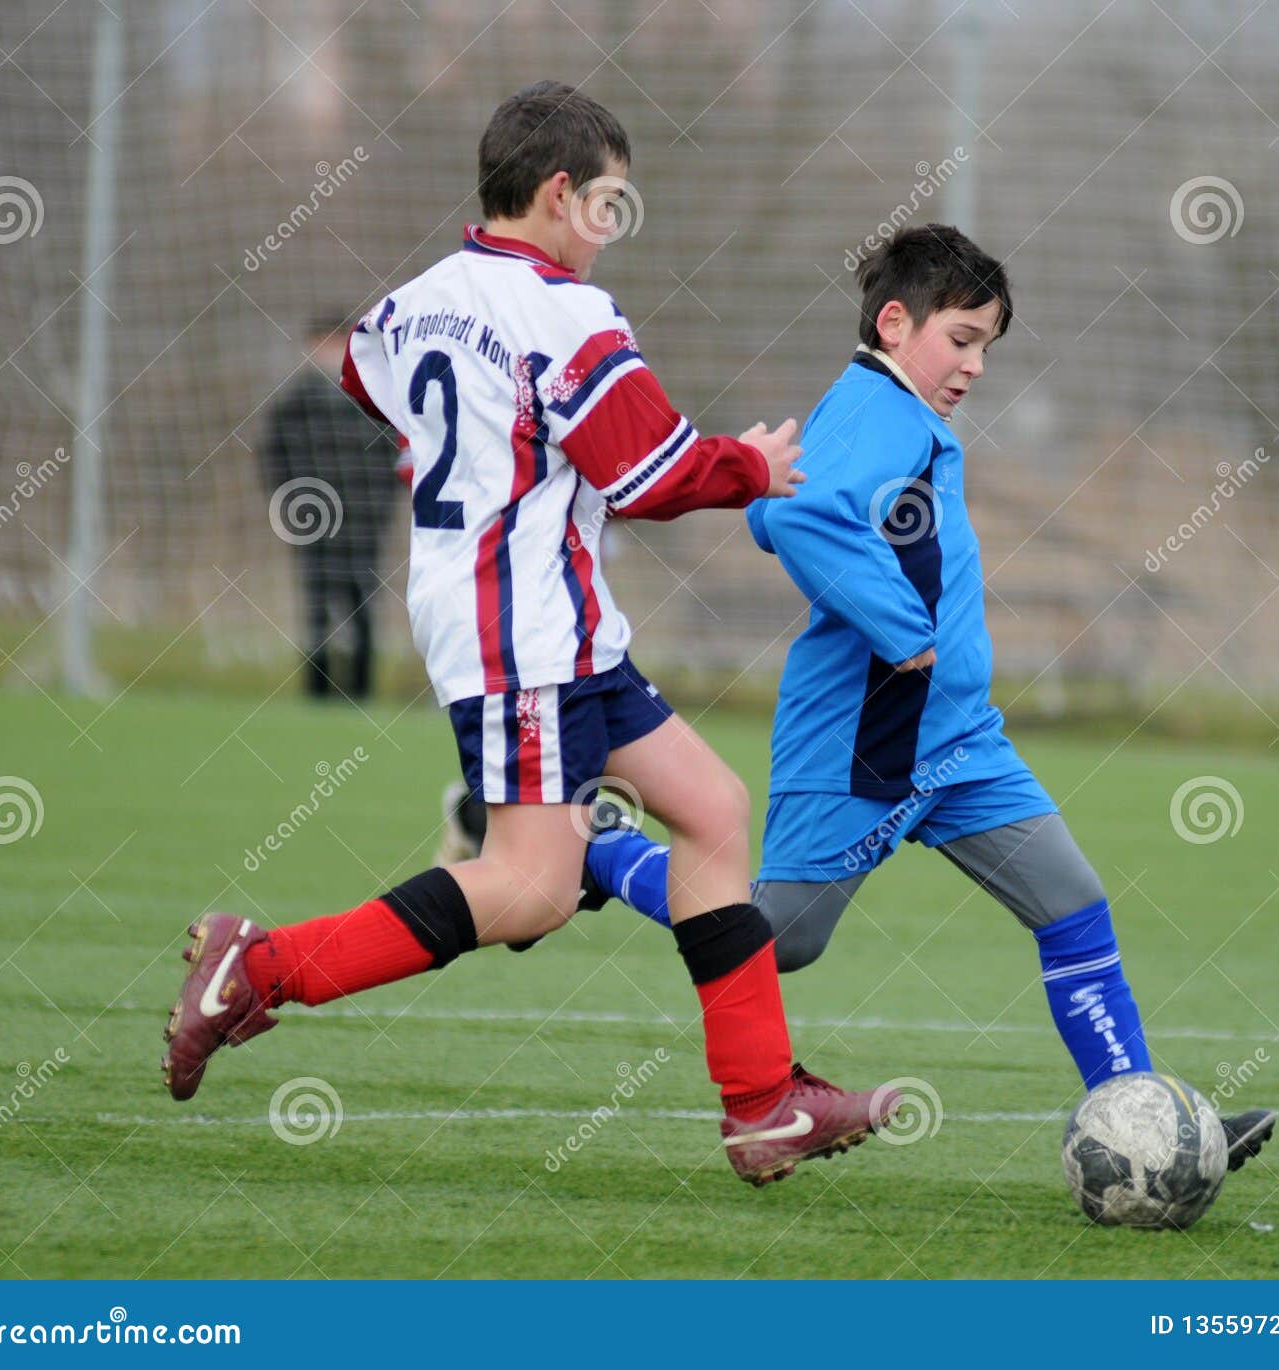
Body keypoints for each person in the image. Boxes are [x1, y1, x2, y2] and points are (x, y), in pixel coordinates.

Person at [162, 81, 903, 1187]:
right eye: (608, 201)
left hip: (556, 627)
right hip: (522, 637)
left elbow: (375, 378)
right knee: (531, 887)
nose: (612, 223)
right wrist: (753, 465)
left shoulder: (413, 301)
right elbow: (647, 475)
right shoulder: (566, 314)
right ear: (559, 193)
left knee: (711, 807)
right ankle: (257, 968)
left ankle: (763, 1105)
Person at [505, 223, 1274, 1169]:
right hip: (863, 742)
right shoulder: (879, 409)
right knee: (778, 939)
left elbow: (774, 508)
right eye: (962, 339)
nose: (976, 365)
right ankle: (607, 855)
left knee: (1073, 905)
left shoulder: (904, 418)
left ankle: (1149, 1125)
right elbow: (791, 513)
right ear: (897, 322)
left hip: (958, 742)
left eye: (988, 346)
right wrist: (904, 628)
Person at [259, 315, 402, 700]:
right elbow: (274, 457)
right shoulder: (295, 404)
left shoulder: (374, 400)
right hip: (313, 524)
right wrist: (291, 505)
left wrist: (381, 507)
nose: (327, 352)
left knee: (363, 603)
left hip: (364, 521)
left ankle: (360, 689)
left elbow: (397, 459)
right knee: (317, 605)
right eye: (321, 344)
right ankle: (317, 690)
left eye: (336, 343)